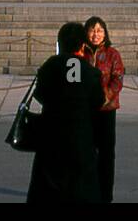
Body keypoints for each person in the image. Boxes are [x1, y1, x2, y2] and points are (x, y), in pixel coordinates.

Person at [26, 20, 104, 204]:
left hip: (52, 136)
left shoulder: (50, 66)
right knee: (82, 188)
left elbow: (40, 94)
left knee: (48, 190)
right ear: (83, 45)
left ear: (60, 44)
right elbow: (98, 101)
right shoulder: (89, 70)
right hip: (81, 138)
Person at [84, 15, 124, 203]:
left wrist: (105, 96)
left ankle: (105, 194)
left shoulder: (112, 54)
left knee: (107, 154)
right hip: (84, 110)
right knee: (85, 151)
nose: (95, 34)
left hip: (106, 110)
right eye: (92, 30)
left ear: (105, 33)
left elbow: (118, 79)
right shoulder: (80, 53)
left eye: (99, 30)